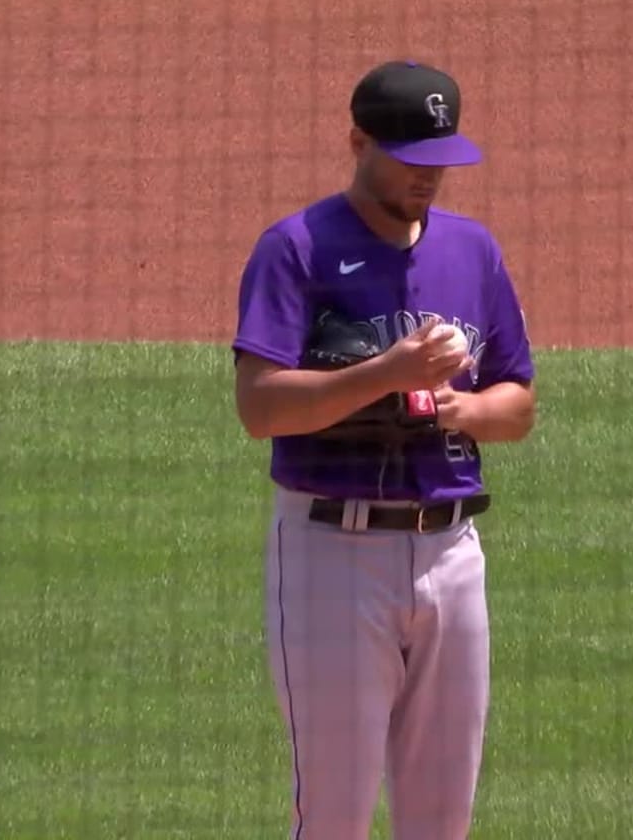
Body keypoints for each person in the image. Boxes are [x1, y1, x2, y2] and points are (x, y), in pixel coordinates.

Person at [229, 59, 537, 840]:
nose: (429, 178)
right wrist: (387, 374)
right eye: (409, 159)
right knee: (334, 811)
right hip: (333, 552)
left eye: (440, 160)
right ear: (357, 142)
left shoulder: (473, 251)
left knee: (441, 818)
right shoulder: (297, 247)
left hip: (452, 550)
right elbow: (260, 407)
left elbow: (518, 404)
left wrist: (460, 408)